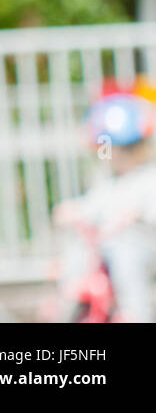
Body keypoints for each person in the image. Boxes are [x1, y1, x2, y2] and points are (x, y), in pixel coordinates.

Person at [51, 90, 156, 322]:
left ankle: (136, 315)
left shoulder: (149, 178)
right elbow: (93, 206)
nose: (113, 156)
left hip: (141, 246)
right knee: (76, 256)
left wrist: (136, 215)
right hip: (103, 247)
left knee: (126, 259)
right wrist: (72, 211)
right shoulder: (108, 182)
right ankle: (66, 308)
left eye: (124, 150)